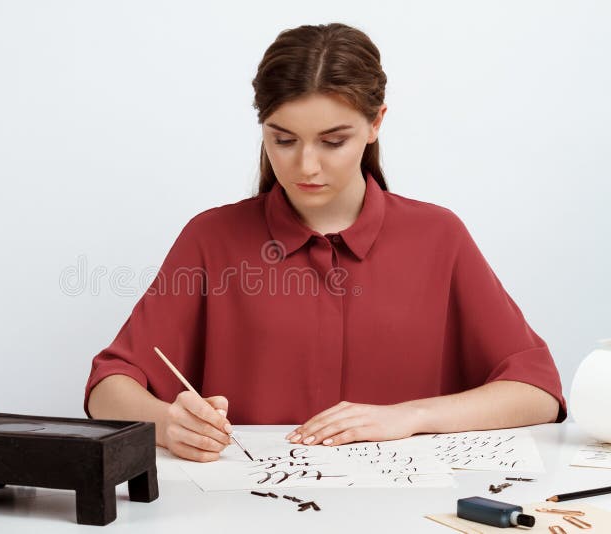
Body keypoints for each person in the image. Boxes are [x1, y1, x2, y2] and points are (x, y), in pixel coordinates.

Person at [84, 23, 566, 462]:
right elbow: (109, 386)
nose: (306, 166)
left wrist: (410, 417)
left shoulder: (440, 236)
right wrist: (168, 425)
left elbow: (538, 391)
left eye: (333, 141)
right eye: (284, 140)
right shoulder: (211, 238)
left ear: (376, 123)